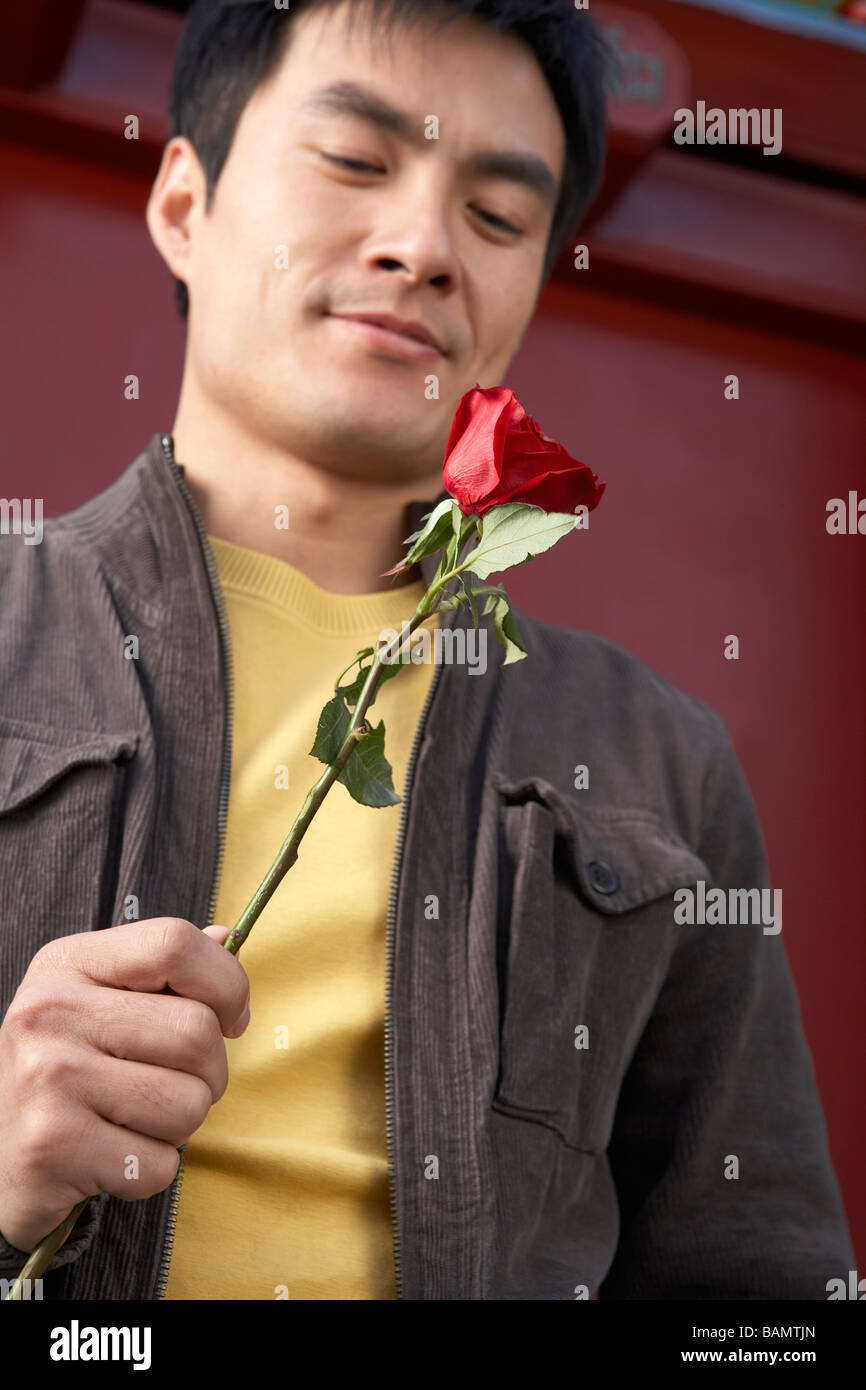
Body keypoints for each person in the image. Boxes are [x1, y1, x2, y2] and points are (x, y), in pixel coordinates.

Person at [0, 0, 854, 1301]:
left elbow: (760, 1285)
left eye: (499, 218)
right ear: (185, 202)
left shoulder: (655, 760)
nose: (422, 246)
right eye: (352, 160)